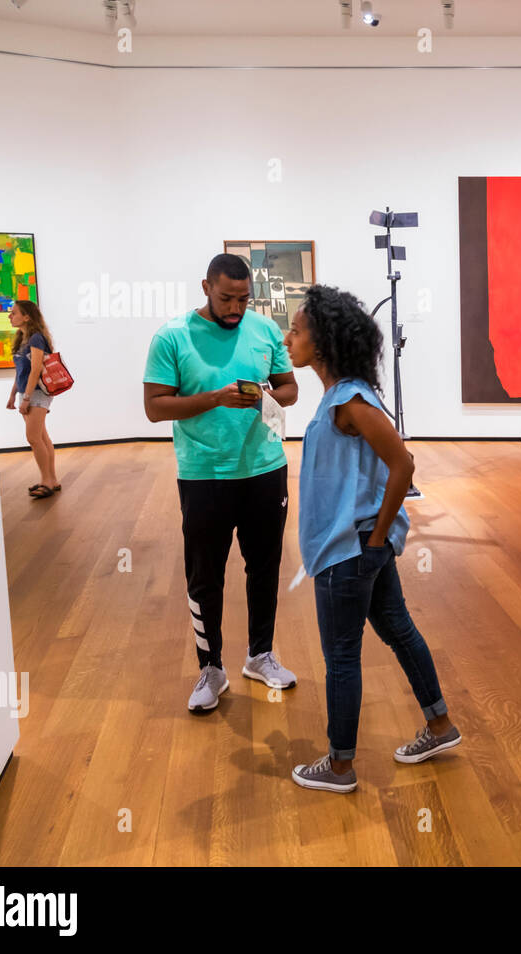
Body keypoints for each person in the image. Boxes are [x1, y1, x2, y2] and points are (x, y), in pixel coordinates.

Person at [284, 284, 461, 794]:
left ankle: (340, 767)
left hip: (350, 550)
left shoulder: (351, 401)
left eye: (296, 330)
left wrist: (379, 537)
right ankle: (440, 726)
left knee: (342, 657)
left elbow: (403, 464)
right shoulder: (341, 396)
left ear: (322, 342)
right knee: (399, 631)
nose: (288, 338)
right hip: (360, 547)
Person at [143, 254, 300, 713]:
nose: (235, 308)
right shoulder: (172, 336)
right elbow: (155, 407)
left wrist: (264, 396)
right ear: (205, 287)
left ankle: (260, 654)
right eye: (226, 298)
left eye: (243, 299)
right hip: (204, 475)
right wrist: (215, 398)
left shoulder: (265, 331)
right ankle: (211, 668)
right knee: (205, 576)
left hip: (265, 470)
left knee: (265, 567)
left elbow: (290, 390)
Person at [6, 300, 60, 499]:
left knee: (34, 438)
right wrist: (13, 395)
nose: (10, 316)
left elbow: (36, 369)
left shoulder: (36, 339)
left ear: (27, 316)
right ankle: (52, 480)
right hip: (26, 393)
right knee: (42, 437)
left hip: (36, 393)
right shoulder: (22, 339)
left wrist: (26, 398)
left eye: (14, 313)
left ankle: (46, 481)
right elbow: (21, 372)